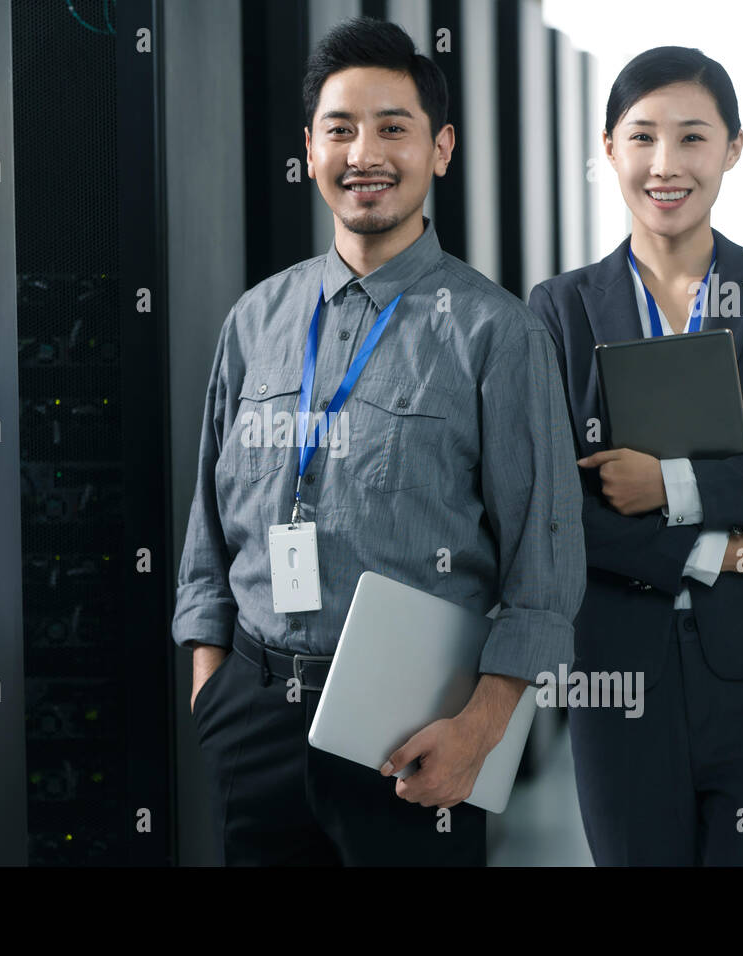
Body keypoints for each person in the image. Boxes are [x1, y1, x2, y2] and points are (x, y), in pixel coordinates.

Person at [171, 16, 584, 866]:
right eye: (341, 128)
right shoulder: (257, 320)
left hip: (413, 726)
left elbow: (543, 562)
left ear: (440, 148)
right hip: (253, 714)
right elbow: (210, 521)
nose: (366, 152)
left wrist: (483, 727)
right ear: (311, 150)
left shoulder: (497, 335)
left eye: (394, 128)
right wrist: (210, 678)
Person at [528, 46, 743, 866]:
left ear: (733, 149)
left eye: (692, 138)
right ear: (607, 148)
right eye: (642, 137)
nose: (665, 164)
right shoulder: (562, 311)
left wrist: (672, 485)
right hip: (620, 677)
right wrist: (717, 550)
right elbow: (551, 508)